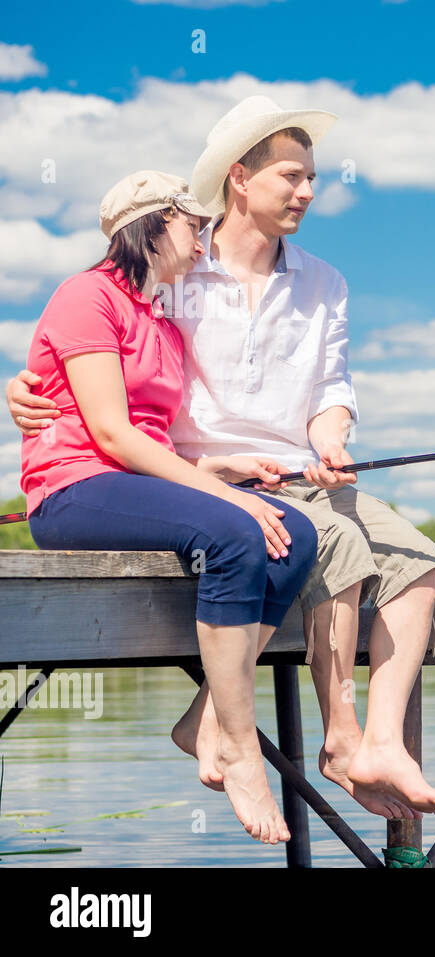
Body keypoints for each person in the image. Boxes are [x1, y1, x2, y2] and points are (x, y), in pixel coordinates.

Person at [8, 96, 435, 821]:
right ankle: (334, 736)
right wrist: (23, 386)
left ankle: (377, 740)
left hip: (283, 472)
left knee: (417, 557)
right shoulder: (175, 273)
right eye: (293, 175)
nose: (309, 190)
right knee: (318, 539)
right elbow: (96, 361)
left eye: (313, 176)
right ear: (240, 178)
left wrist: (330, 438)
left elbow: (331, 387)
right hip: (186, 479)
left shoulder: (322, 283)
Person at [20, 170, 318, 845]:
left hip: (127, 483)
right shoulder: (85, 295)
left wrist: (216, 469)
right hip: (70, 491)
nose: (203, 238)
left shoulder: (161, 321)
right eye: (192, 223)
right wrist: (213, 493)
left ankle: (207, 715)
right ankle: (243, 748)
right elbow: (110, 434)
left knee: (294, 534)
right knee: (238, 530)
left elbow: (150, 442)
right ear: (151, 226)